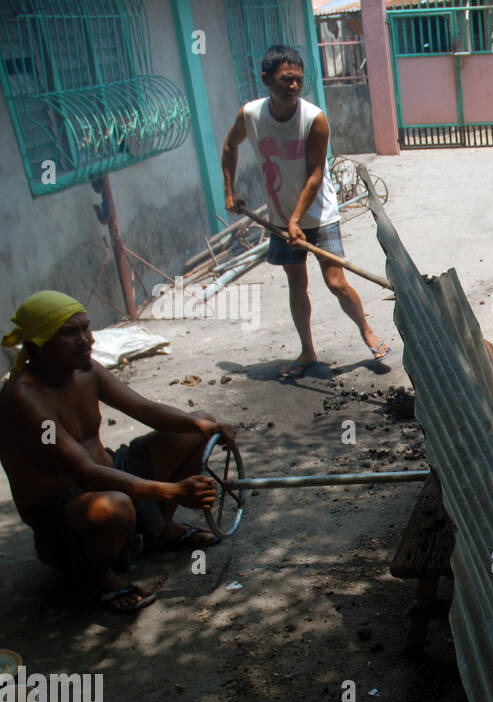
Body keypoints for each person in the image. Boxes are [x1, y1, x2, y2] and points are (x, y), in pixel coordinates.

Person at [0, 291, 236, 614]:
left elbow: (142, 408)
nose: (86, 340)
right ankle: (94, 576)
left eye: (86, 328)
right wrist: (174, 490)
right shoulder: (23, 399)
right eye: (70, 333)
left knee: (196, 427)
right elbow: (84, 472)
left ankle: (160, 530)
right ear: (39, 343)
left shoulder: (86, 371)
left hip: (109, 471)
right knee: (115, 505)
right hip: (68, 507)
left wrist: (205, 427)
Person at [220, 44, 389, 378]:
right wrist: (229, 190)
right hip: (281, 218)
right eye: (286, 80)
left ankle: (366, 330)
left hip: (319, 215)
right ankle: (308, 350)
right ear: (267, 79)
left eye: (298, 80)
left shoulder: (314, 119)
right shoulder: (251, 115)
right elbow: (229, 146)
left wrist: (297, 220)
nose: (293, 86)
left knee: (336, 281)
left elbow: (315, 174)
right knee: (296, 284)